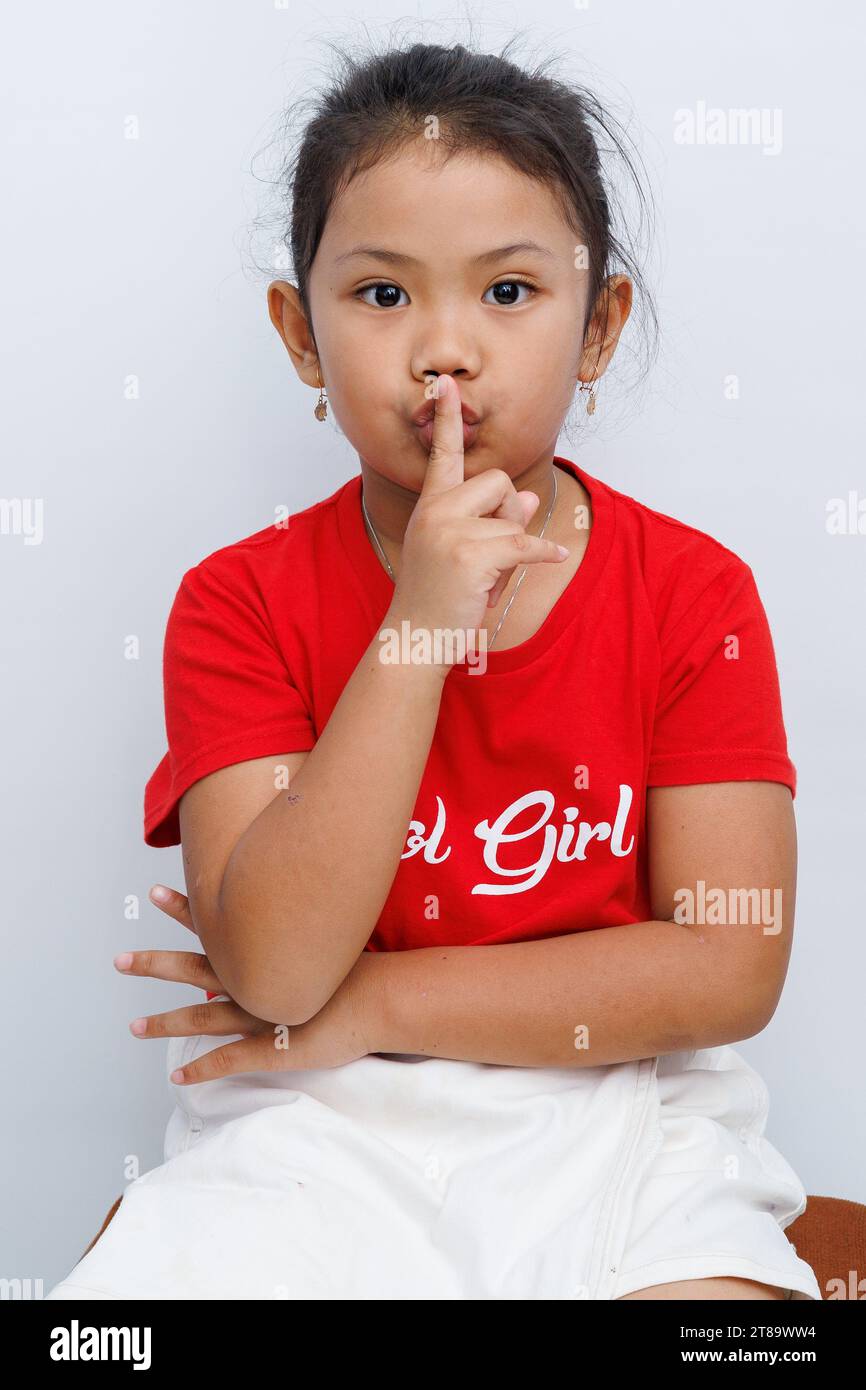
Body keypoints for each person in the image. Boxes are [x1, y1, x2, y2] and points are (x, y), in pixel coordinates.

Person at [46, 37, 821, 1301]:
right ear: (300, 334)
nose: (444, 351)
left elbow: (726, 967)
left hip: (623, 1103)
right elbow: (278, 974)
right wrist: (416, 627)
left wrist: (370, 1002)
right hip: (315, 1117)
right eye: (381, 294)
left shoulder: (694, 594)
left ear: (597, 326)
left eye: (508, 291)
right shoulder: (237, 603)